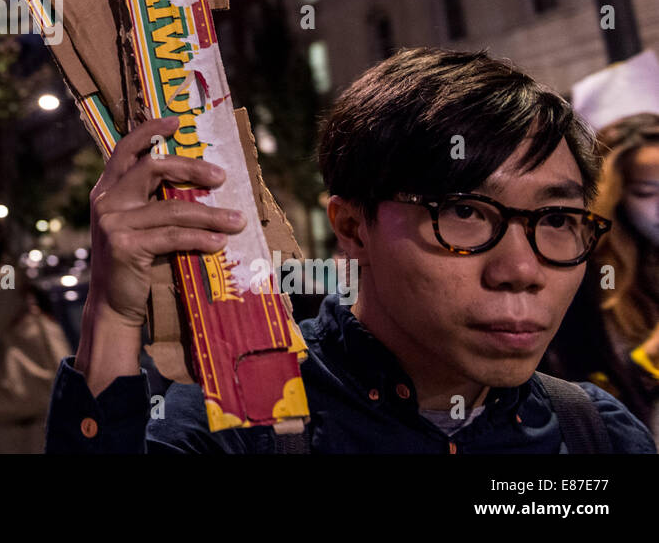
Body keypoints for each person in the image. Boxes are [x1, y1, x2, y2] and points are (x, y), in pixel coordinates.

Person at [47, 48, 657, 453]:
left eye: (555, 219)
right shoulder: (240, 428)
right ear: (351, 224)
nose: (521, 271)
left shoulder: (594, 434)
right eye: (466, 213)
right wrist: (114, 315)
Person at [541, 113, 659, 437]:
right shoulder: (589, 272)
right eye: (648, 193)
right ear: (616, 194)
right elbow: (579, 399)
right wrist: (648, 360)